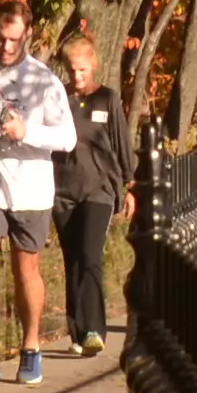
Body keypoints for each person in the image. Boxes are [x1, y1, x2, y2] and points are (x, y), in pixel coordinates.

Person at [0, 14, 75, 386]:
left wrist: (28, 131)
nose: (5, 47)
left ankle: (30, 347)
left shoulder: (44, 80)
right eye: (0, 38)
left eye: (13, 40)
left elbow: (67, 138)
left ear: (27, 37)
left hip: (30, 187)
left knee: (26, 272)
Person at [53, 22, 130, 356]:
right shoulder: (60, 101)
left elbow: (122, 144)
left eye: (82, 70)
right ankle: (77, 331)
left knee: (90, 256)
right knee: (72, 260)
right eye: (72, 70)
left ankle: (96, 329)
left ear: (93, 66)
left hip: (99, 190)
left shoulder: (107, 99)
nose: (77, 76)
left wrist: (130, 186)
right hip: (63, 190)